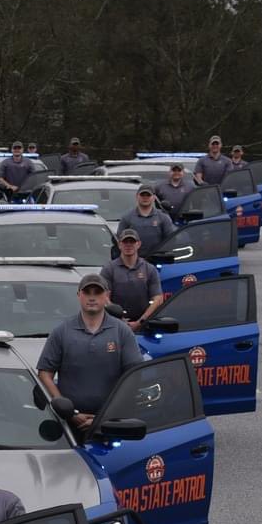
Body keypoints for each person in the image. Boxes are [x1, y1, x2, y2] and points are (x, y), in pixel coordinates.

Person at [37, 269, 146, 433]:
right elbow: (45, 374)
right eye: (87, 292)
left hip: (112, 423)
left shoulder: (122, 331)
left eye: (97, 292)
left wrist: (107, 415)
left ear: (107, 296)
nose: (92, 297)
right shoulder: (62, 331)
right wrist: (67, 410)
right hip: (68, 426)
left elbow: (134, 377)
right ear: (78, 295)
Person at [99, 227, 164, 327]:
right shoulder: (109, 269)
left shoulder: (149, 269)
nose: (128, 245)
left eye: (132, 242)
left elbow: (158, 299)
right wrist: (119, 319)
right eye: (125, 242)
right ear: (119, 245)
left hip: (143, 325)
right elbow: (104, 297)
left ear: (138, 244)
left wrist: (140, 322)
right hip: (115, 325)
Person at [117, 186, 178, 261]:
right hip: (134, 260)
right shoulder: (127, 217)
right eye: (142, 195)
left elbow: (170, 240)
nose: (145, 198)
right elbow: (120, 240)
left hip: (156, 260)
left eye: (148, 195)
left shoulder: (163, 217)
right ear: (137, 196)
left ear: (154, 197)